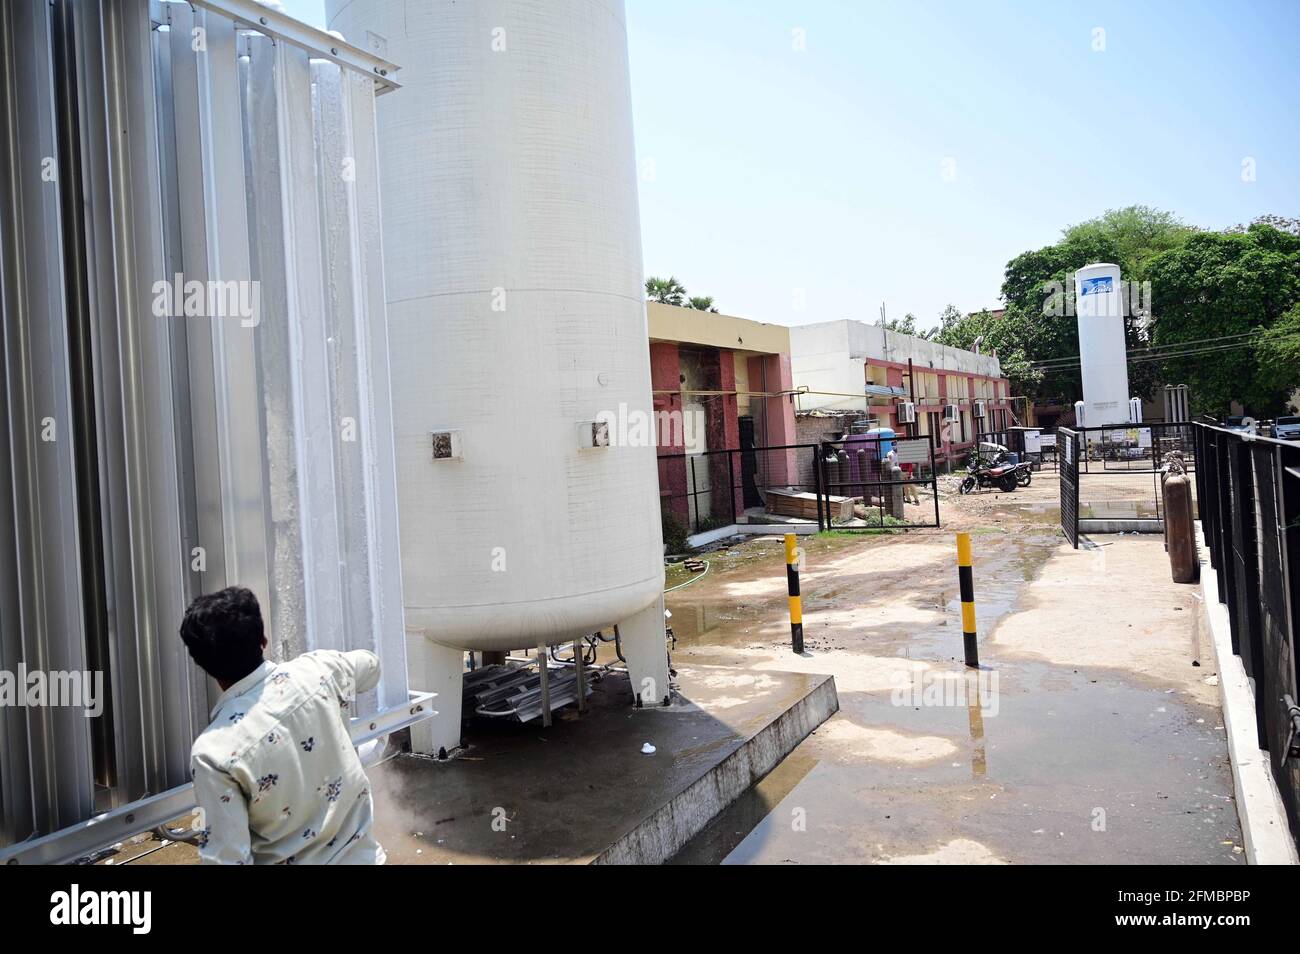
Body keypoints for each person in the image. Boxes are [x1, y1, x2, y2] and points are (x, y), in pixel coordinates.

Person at [180, 586, 386, 865]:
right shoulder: (320, 671)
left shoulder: (213, 753)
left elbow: (227, 858)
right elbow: (370, 666)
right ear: (263, 639)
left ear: (203, 664)